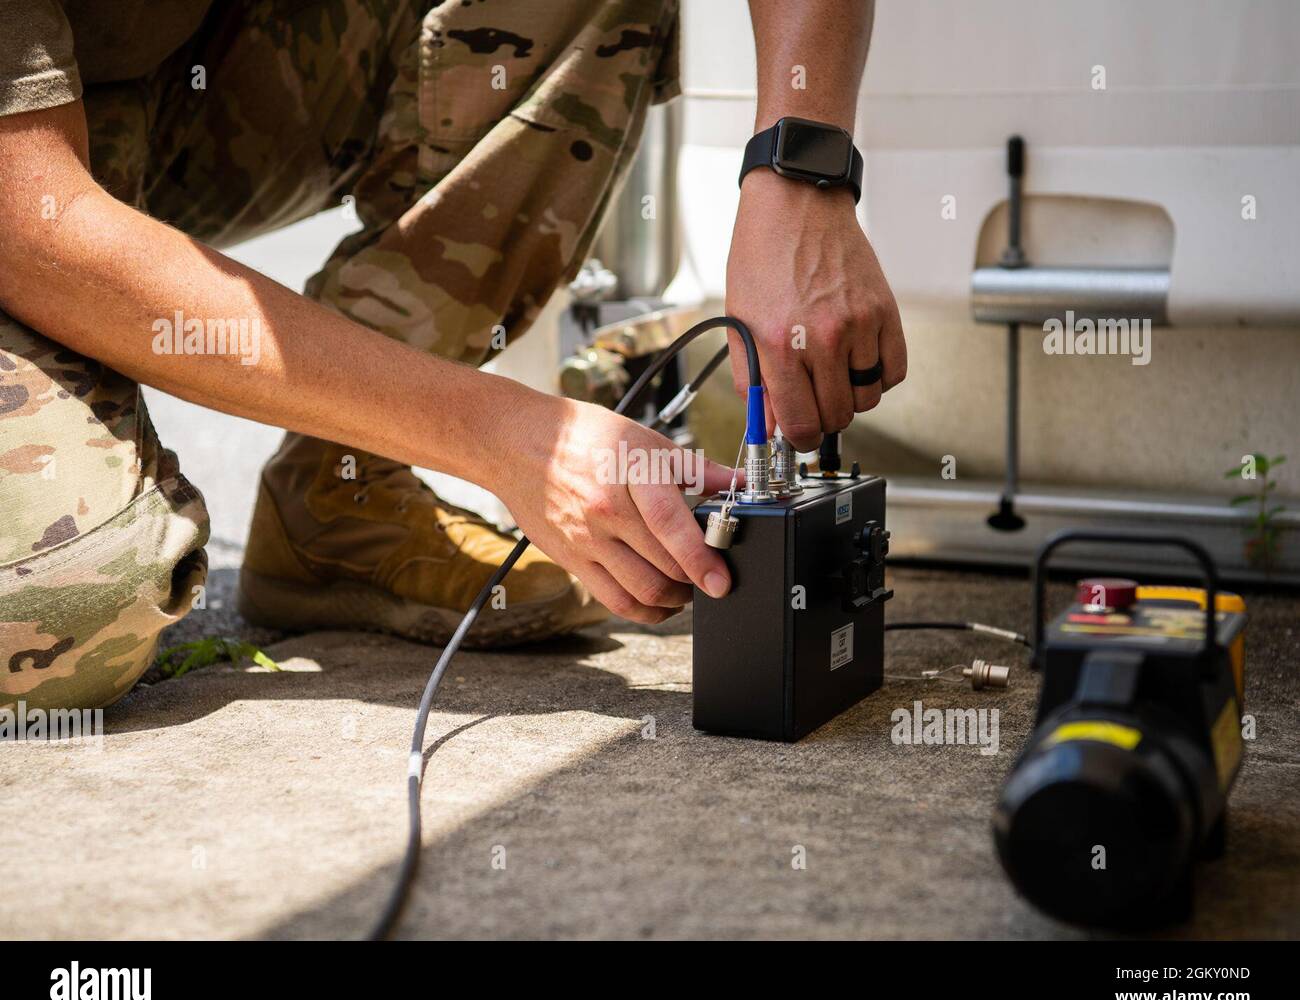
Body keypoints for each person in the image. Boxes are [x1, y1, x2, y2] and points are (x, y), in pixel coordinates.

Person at [0, 0, 906, 711]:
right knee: (74, 602)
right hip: (25, 175)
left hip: (177, 80)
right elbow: (30, 224)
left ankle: (339, 493)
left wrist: (801, 171)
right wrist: (506, 434)